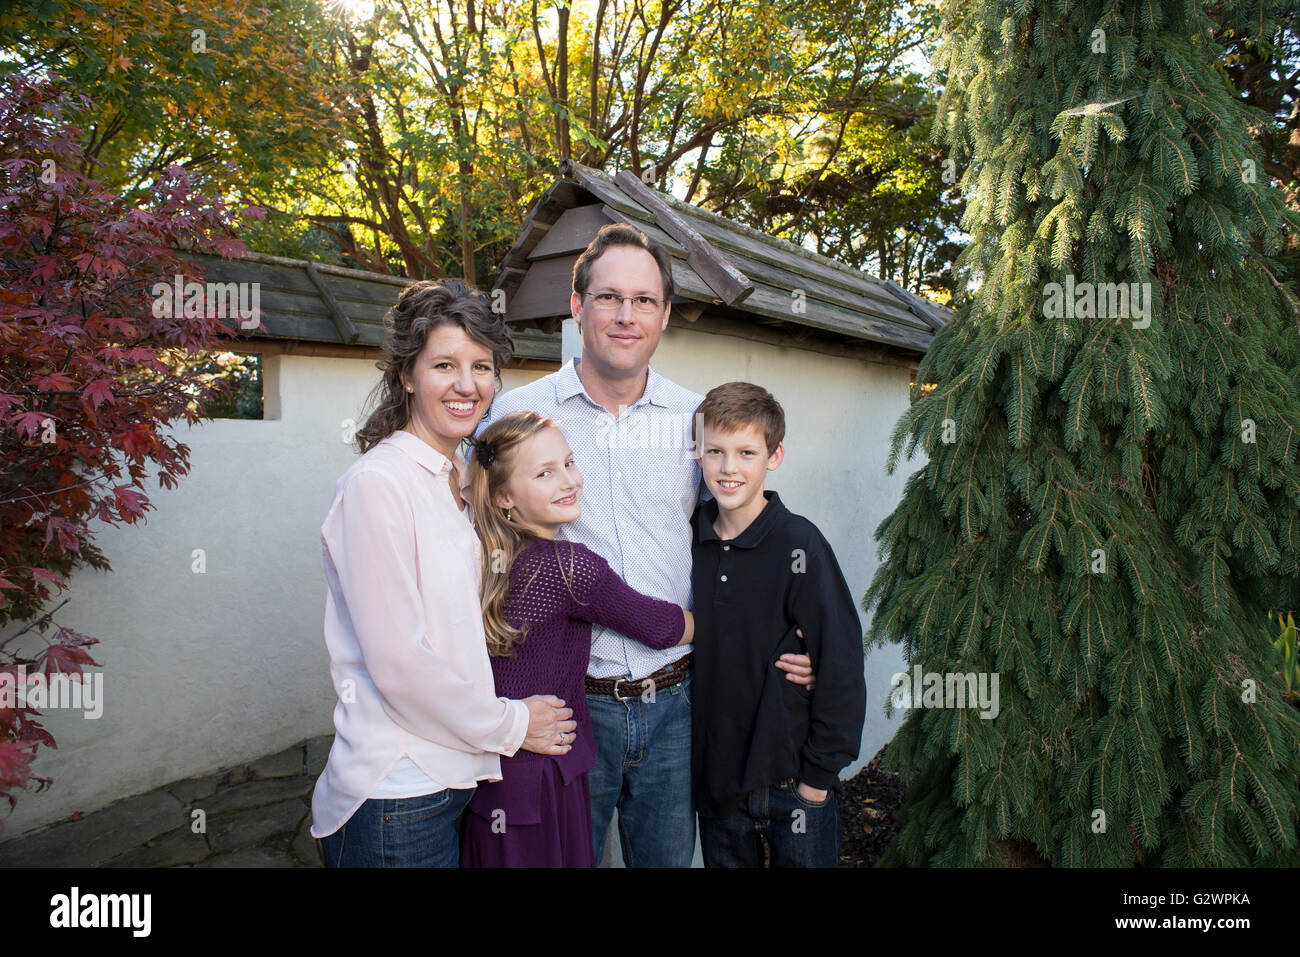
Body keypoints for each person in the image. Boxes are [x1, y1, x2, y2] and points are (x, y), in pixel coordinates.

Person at [478, 223, 815, 867]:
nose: (625, 316)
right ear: (577, 307)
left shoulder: (697, 421)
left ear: (664, 315)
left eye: (643, 300)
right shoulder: (517, 416)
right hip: (570, 707)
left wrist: (797, 633)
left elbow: (747, 535)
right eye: (608, 297)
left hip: (679, 704)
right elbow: (471, 534)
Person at [311, 279, 577, 868]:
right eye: (444, 365)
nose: (467, 385)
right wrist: (513, 724)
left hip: (460, 776)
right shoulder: (378, 486)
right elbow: (400, 664)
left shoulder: (463, 477)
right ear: (407, 375)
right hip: (398, 793)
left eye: (481, 366)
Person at [458, 412, 694, 866]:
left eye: (568, 462)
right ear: (504, 496)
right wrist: (723, 623)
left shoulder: (486, 556)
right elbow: (659, 626)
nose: (569, 481)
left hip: (493, 775)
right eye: (545, 473)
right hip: (541, 774)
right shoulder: (567, 568)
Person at [689, 382, 867, 867]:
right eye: (715, 452)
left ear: (774, 456)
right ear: (697, 455)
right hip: (718, 783)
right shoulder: (690, 539)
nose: (729, 468)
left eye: (747, 452)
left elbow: (842, 664)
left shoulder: (800, 545)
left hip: (791, 784)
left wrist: (817, 781)